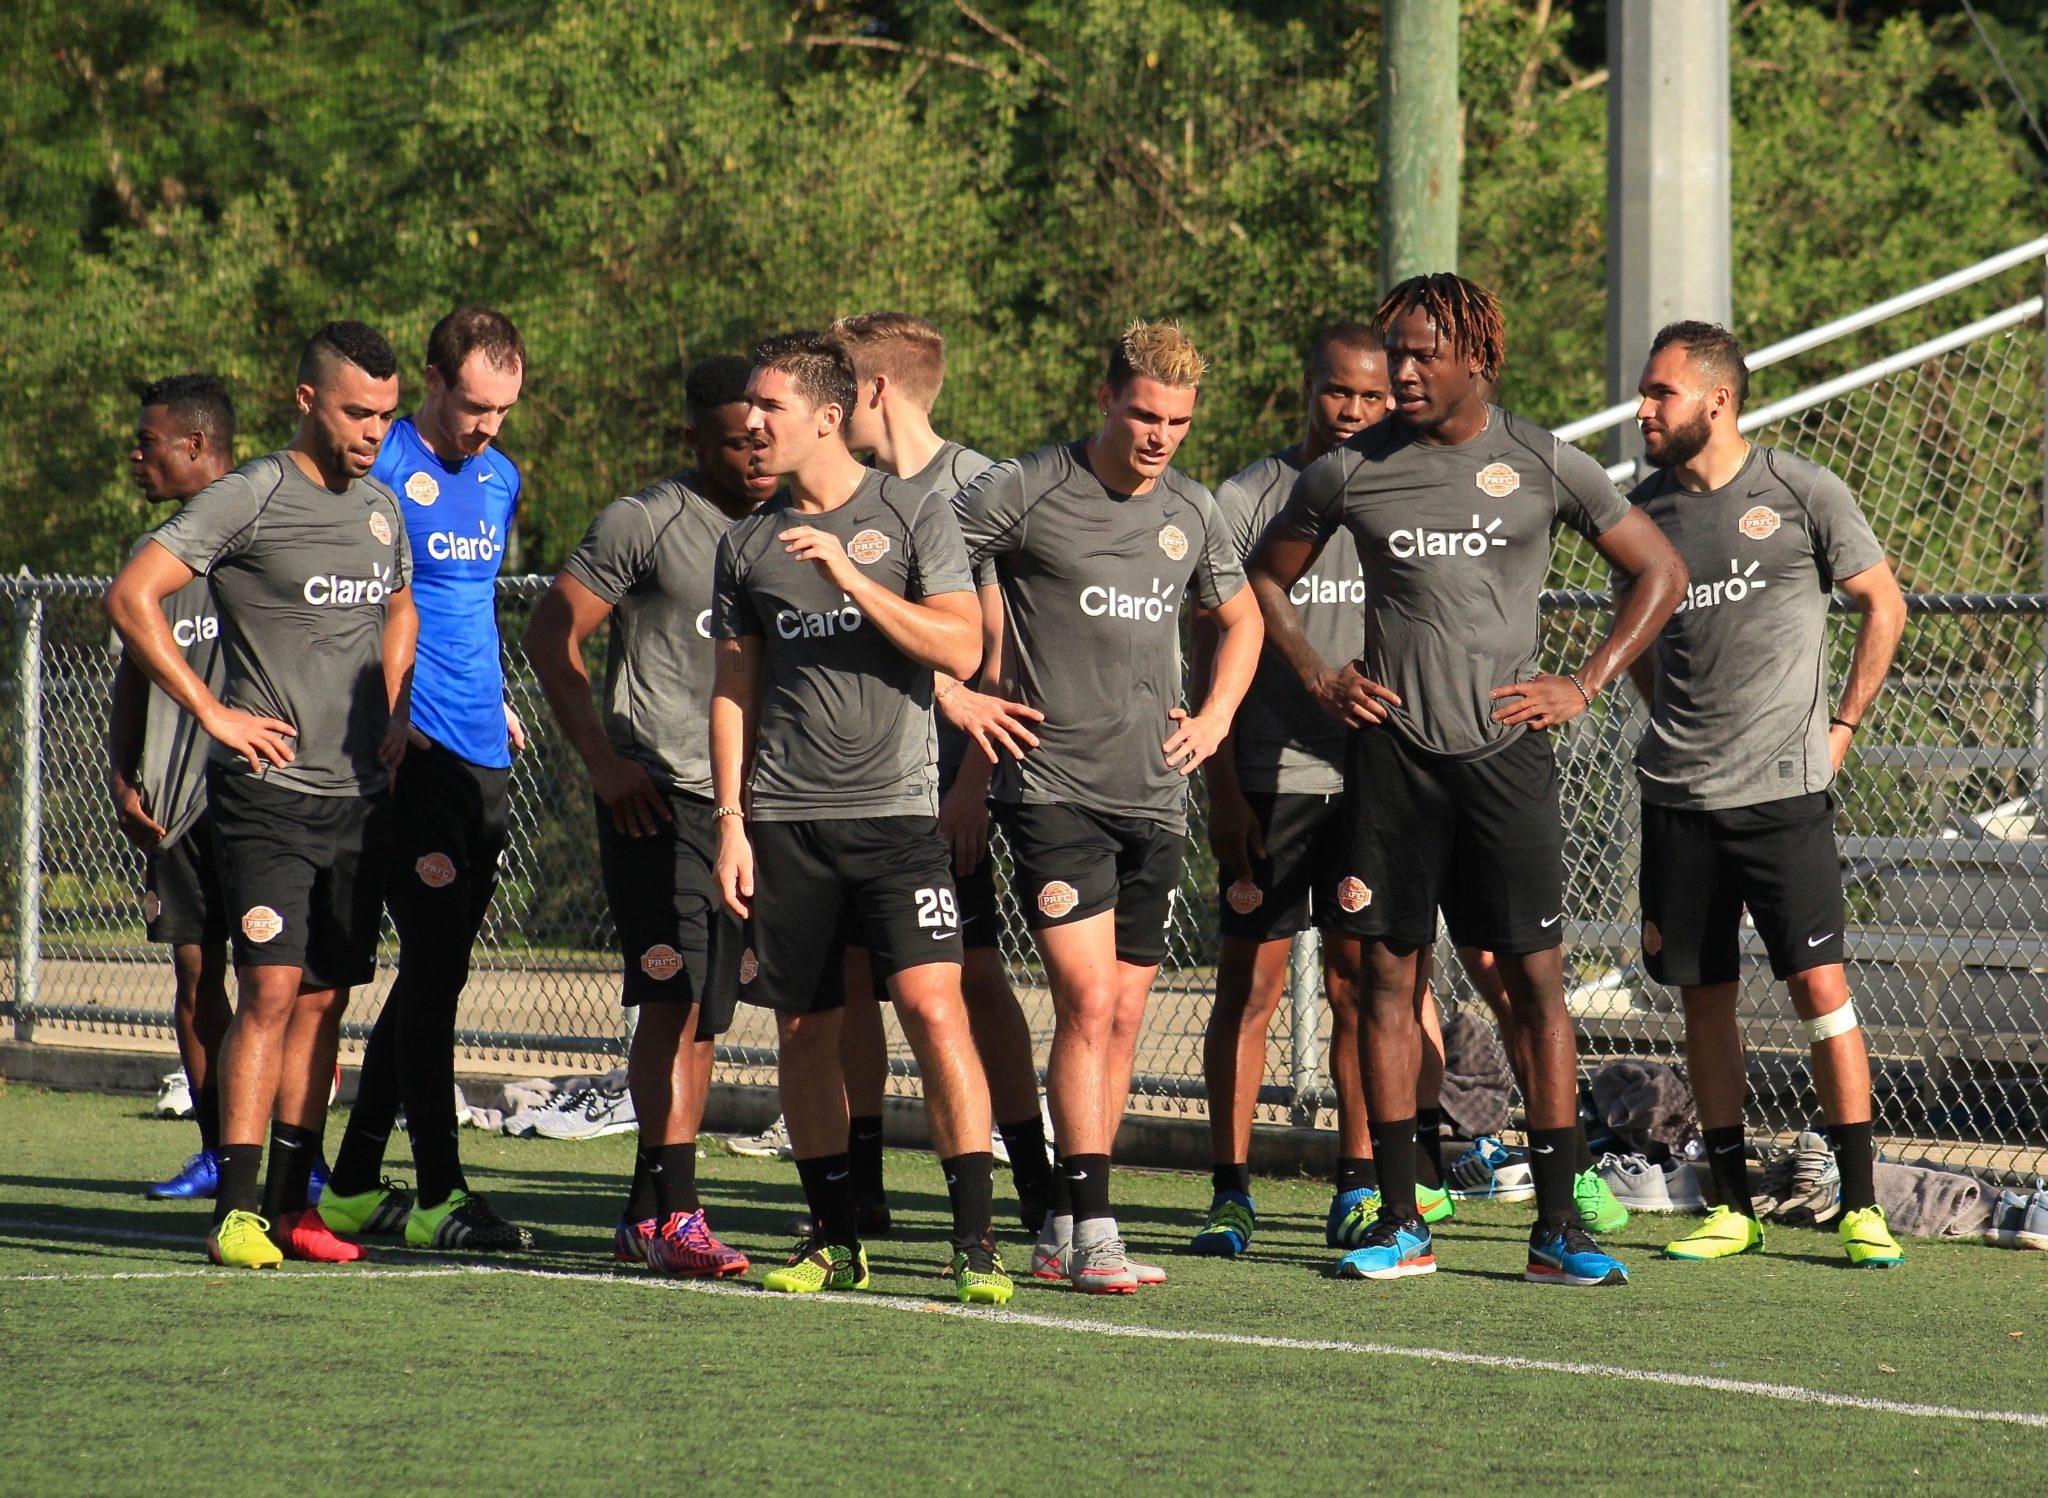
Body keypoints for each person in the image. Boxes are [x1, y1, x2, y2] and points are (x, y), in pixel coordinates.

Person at [1248, 273, 1686, 1286]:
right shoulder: (1350, 468)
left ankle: (1557, 1229)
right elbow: (1264, 575)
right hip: (1392, 763)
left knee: (1534, 986)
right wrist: (1316, 672)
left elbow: (1658, 570)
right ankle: (1402, 1219)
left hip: (1504, 762)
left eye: (1421, 354)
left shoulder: (1540, 459)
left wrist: (1585, 681)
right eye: (1395, 352)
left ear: (1476, 358)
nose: (1400, 371)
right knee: (1387, 983)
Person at [955, 320, 1265, 1293]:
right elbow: (918, 570)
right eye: (1143, 414)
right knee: (1086, 1002)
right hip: (1051, 787)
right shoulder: (1025, 487)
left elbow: (1241, 618)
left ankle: (1061, 1224)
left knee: (1124, 1015)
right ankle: (1092, 1225)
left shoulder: (1192, 509)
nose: (1159, 436)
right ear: (1104, 399)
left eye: (1177, 420)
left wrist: (1215, 718)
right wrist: (959, 690)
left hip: (1154, 792)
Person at [105, 320, 416, 1269]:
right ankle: (235, 1211)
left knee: (323, 1002)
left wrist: (395, 707)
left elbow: (399, 603)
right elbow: (132, 596)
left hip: (356, 796)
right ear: (307, 400)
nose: (373, 431)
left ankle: (292, 1208)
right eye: (358, 412)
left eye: (386, 415)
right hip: (266, 795)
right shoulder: (251, 494)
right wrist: (213, 713)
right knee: (270, 991)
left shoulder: (380, 508)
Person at [710, 330, 1012, 1304]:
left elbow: (961, 649)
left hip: (897, 819)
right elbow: (732, 692)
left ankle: (975, 1243)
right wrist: (729, 819)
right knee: (804, 1031)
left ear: (827, 416)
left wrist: (851, 576)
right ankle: (834, 1239)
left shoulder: (913, 512)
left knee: (932, 1008)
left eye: (771, 406)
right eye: (750, 405)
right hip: (786, 823)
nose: (752, 421)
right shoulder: (744, 541)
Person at [1624, 320, 1908, 1269]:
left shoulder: (1800, 490)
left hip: (1784, 796)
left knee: (1820, 991)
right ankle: (1732, 1207)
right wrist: (1673, 720)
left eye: (1661, 392)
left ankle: (1860, 1204)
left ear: (1718, 399)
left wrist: (1843, 728)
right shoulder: (1642, 511)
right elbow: (1634, 633)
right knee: (1704, 1002)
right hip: (1678, 799)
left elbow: (1883, 603)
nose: (1644, 408)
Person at [1191, 323, 1457, 1256]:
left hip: (1373, 781)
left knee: (1360, 987)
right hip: (1269, 778)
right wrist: (1223, 790)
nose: (1353, 410)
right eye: (1338, 391)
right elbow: (1208, 647)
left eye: (1373, 396)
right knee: (1250, 988)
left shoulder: (1409, 486)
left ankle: (1357, 1183)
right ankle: (1230, 1192)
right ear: (1308, 387)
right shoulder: (1247, 499)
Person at [521, 354, 772, 1277]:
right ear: (692, 438)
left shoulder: (799, 523)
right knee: (672, 1003)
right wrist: (602, 762)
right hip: (658, 799)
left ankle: (649, 1210)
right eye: (736, 441)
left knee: (708, 1014)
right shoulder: (647, 519)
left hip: (753, 809)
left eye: (766, 437)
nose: (756, 455)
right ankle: (678, 1215)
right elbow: (551, 632)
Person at [823, 310, 1052, 1236]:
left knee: (973, 981)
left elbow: (998, 656)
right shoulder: (844, 492)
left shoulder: (977, 488)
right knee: (850, 982)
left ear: (875, 389)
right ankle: (864, 1181)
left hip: (943, 795)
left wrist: (969, 788)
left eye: (838, 387)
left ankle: (1034, 1182)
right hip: (855, 789)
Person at [320, 307, 534, 1252]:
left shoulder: (500, 479)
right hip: (414, 756)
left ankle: (354, 1183)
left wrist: (498, 697)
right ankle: (441, 1194)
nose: (489, 426)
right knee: (435, 971)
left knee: (437, 970)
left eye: (505, 410)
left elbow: (467, 605)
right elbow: (365, 610)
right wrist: (390, 713)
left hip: (485, 748)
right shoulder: (380, 471)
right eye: (475, 406)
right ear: (435, 382)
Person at [108, 375, 238, 1202]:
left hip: (263, 798)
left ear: (195, 444)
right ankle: (219, 1150)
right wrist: (122, 776)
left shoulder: (267, 529)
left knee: (283, 986)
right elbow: (131, 676)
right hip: (175, 809)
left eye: (147, 440)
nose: (136, 454)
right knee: (196, 976)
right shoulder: (153, 554)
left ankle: (292, 1156)